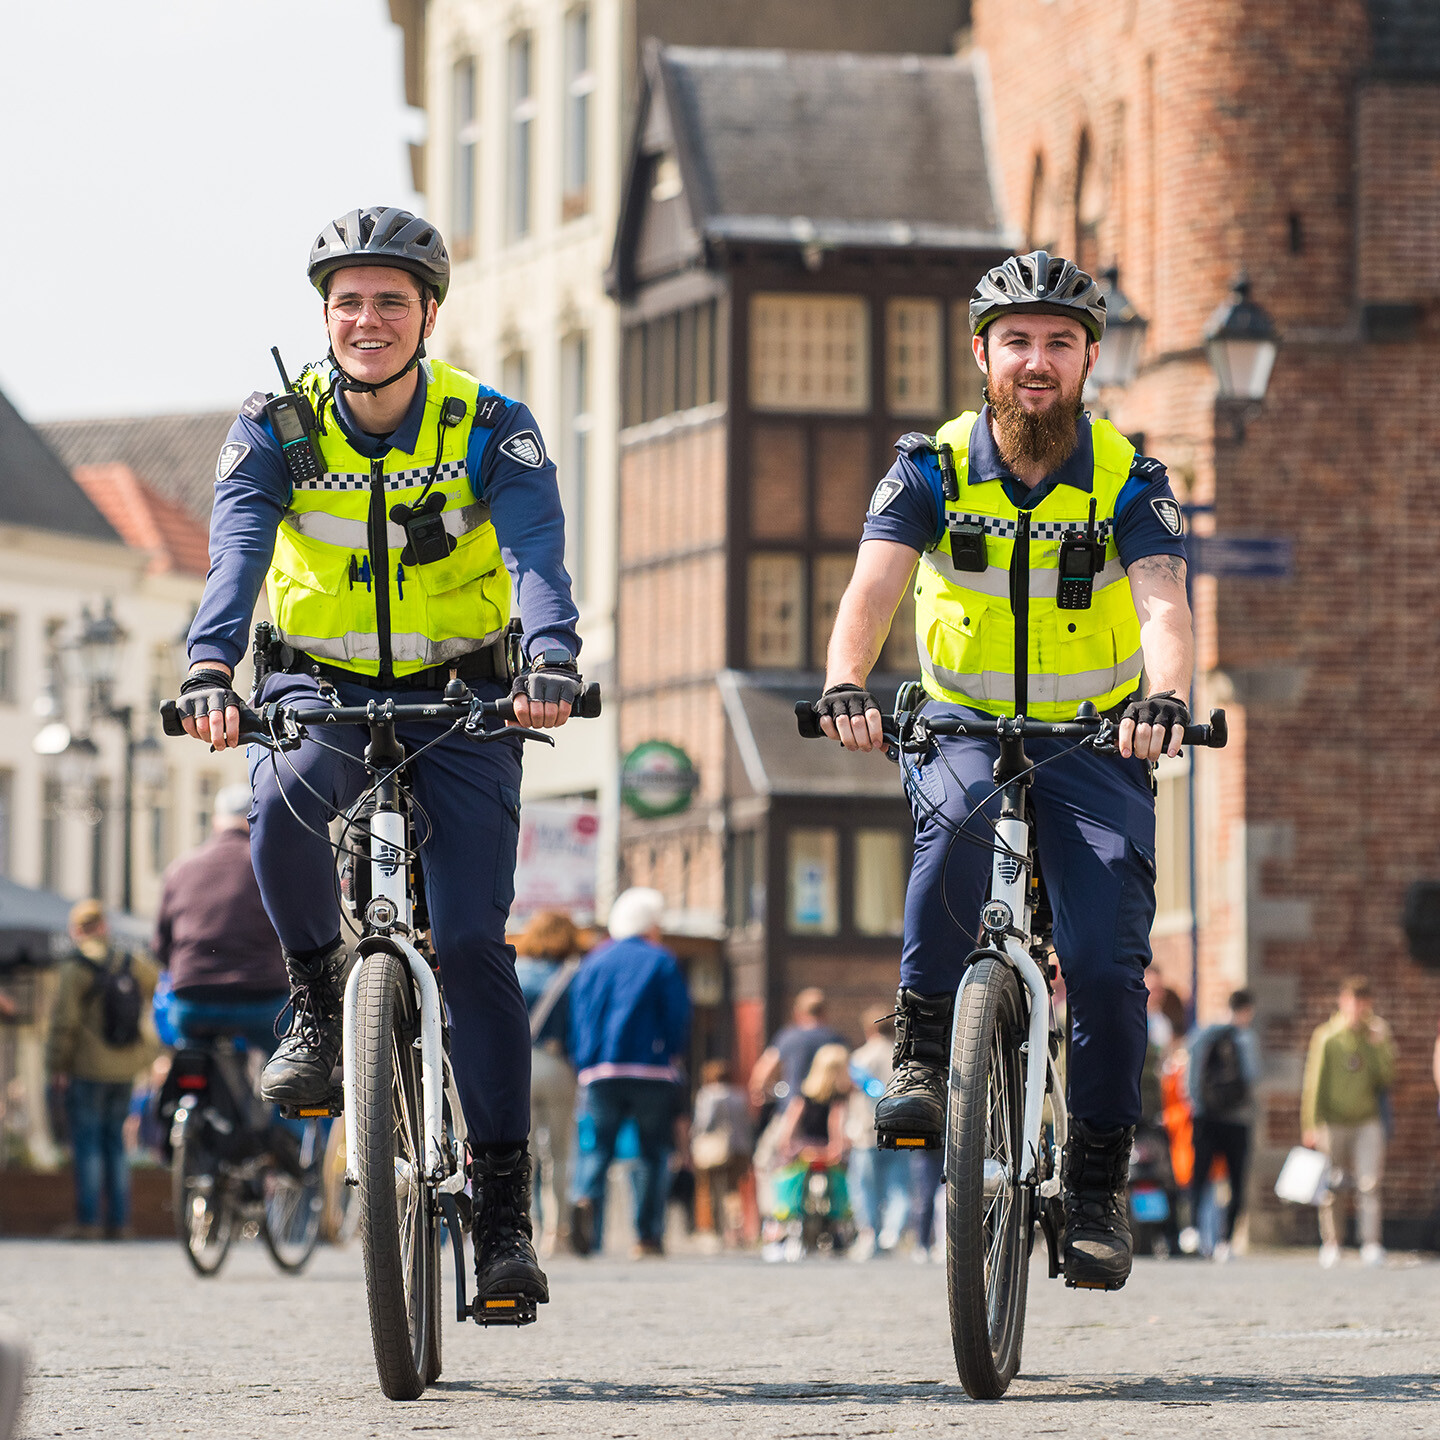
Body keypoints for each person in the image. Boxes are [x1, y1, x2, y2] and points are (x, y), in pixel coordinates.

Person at [169, 206, 584, 1310]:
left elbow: (539, 556)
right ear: (324, 315)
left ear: (429, 315)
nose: (367, 320)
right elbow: (240, 550)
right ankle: (314, 995)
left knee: (473, 948)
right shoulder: (275, 423)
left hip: (468, 695)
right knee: (282, 807)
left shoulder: (492, 425)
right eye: (347, 301)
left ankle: (502, 1215)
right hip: (317, 683)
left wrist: (550, 659)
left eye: (391, 301)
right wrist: (211, 667)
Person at [815, 250, 1194, 1290]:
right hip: (967, 724)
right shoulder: (929, 467)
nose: (1037, 361)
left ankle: (1097, 1186)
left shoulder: (1129, 476)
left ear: (1088, 360)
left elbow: (1164, 598)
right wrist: (846, 679)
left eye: (1059, 344)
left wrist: (1165, 698)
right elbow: (874, 585)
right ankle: (926, 1058)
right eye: (1017, 342)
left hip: (1097, 736)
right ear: (981, 354)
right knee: (948, 836)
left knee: (1109, 966)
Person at [567, 888, 691, 1257]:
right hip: (651, 1069)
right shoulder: (662, 960)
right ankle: (646, 1236)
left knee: (598, 1147)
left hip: (602, 1069)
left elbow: (582, 1014)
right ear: (650, 924)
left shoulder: (595, 960)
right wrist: (672, 1051)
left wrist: (586, 1060)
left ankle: (586, 1198)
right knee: (652, 1152)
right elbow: (677, 1014)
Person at [45, 900, 160, 1239]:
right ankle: (120, 1223)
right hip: (125, 1068)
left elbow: (64, 1022)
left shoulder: (75, 966)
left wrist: (57, 1065)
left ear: (76, 930)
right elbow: (158, 985)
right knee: (115, 1143)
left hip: (87, 1067)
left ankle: (89, 1221)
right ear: (104, 927)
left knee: (88, 1144)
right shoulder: (128, 960)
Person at [153, 782, 289, 1056]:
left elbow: (159, 946)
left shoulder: (181, 868)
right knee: (286, 1064)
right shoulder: (270, 864)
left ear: (216, 820)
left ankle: (188, 1093)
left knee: (187, 1057)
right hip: (262, 995)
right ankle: (282, 1097)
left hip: (193, 997)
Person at [1302, 976, 1396, 1268]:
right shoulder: (1327, 1036)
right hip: (1332, 1121)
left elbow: (1388, 1078)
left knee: (1370, 1183)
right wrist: (1310, 1124)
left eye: (1363, 1003)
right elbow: (1314, 1083)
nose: (1358, 1009)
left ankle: (1371, 1243)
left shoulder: (1375, 1035)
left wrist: (1379, 1046)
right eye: (1353, 1002)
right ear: (1343, 1002)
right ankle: (1332, 1242)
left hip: (1367, 1120)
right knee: (1332, 1185)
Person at [512, 909, 584, 1256]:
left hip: (518, 1066)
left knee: (521, 1152)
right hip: (556, 1064)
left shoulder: (514, 971)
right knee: (559, 1153)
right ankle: (558, 1232)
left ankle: (525, 1228)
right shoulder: (572, 976)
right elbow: (580, 1028)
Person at [1182, 988, 1260, 1261]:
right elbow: (1252, 1074)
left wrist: (1195, 1103)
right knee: (1236, 1181)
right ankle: (1225, 1242)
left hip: (1205, 1116)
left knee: (1199, 1175)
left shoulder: (1207, 1032)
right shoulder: (1246, 1037)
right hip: (1237, 1120)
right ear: (1247, 1010)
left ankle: (1192, 1229)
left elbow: (1188, 1058)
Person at [767, 1043, 853, 1251]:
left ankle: (783, 1220)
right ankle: (839, 1222)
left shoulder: (804, 1096)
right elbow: (837, 1126)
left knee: (787, 1178)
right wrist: (838, 1147)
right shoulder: (842, 1098)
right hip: (828, 1150)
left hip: (804, 1149)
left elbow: (790, 1125)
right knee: (843, 1181)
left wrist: (786, 1145)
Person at [847, 1006, 908, 1259]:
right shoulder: (903, 1056)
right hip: (902, 1130)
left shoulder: (861, 1057)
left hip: (867, 1132)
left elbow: (868, 1089)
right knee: (899, 1187)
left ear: (869, 1028)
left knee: (864, 1186)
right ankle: (892, 1233)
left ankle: (869, 1232)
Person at [748, 988, 846, 1112]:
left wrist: (758, 1094)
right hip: (826, 1112)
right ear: (824, 1012)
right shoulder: (836, 1039)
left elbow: (763, 1071)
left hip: (792, 1107)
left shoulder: (788, 1037)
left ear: (798, 1012)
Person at [690, 1058, 754, 1247]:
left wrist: (693, 1136)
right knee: (732, 1189)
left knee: (712, 1189)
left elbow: (705, 1123)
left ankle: (716, 1230)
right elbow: (747, 1122)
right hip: (740, 1148)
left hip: (716, 1150)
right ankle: (735, 1229)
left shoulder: (708, 1095)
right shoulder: (739, 1095)